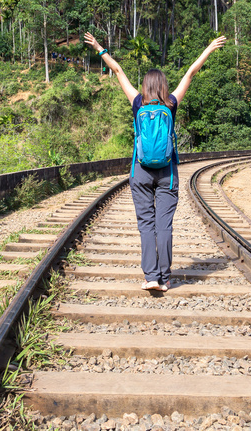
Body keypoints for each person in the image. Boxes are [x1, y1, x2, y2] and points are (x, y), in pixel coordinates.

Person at [83, 32, 227, 292]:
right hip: (167, 172)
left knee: (146, 224)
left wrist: (98, 47)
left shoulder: (137, 102)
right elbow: (191, 72)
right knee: (164, 225)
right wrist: (209, 48)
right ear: (162, 85)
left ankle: (150, 277)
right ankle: (164, 278)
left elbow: (117, 70)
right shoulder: (171, 103)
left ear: (146, 85)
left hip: (140, 171)